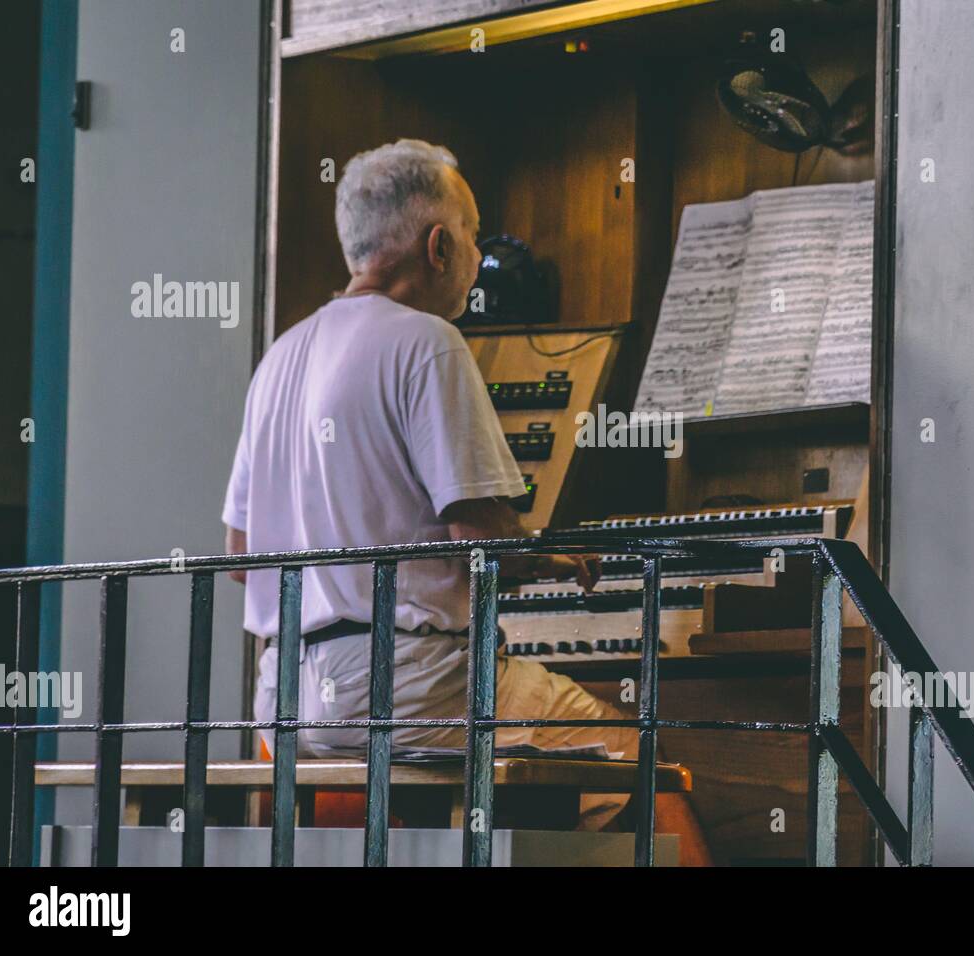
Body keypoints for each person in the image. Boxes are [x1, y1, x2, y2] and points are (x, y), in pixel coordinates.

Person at [222, 139, 687, 834]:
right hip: (413, 691)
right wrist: (545, 559)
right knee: (642, 766)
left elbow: (237, 551)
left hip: (290, 697)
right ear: (438, 245)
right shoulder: (428, 341)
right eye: (472, 235)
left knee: (510, 795)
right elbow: (480, 540)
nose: (478, 254)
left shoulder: (279, 358)